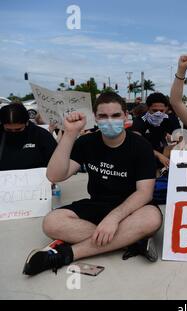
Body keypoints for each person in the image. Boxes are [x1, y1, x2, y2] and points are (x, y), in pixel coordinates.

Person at [22, 92, 162, 276]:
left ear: (125, 116)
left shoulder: (141, 145)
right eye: (103, 116)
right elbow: (55, 175)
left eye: (115, 115)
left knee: (152, 218)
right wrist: (70, 134)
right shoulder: (87, 142)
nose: (109, 121)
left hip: (132, 208)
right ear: (95, 117)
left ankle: (68, 254)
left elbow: (144, 193)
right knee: (51, 222)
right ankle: (131, 241)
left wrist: (113, 218)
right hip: (98, 203)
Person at [0, 103, 57, 171]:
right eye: (8, 130)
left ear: (26, 122)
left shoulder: (41, 135)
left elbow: (55, 162)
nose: (13, 132)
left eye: (18, 129)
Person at [130, 92, 179, 170]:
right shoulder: (141, 120)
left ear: (166, 109)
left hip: (162, 152)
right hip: (143, 153)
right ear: (148, 108)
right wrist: (159, 155)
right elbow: (136, 143)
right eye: (155, 110)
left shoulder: (170, 119)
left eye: (161, 111)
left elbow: (181, 138)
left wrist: (174, 138)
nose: (158, 114)